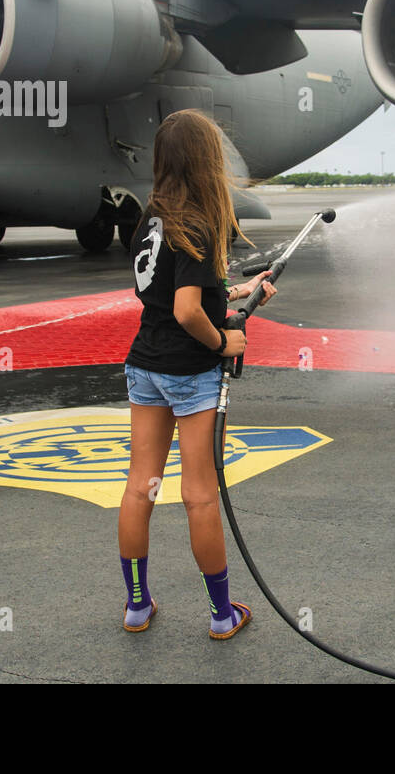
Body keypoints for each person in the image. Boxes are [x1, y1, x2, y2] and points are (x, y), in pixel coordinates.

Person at [119, 109, 276, 637]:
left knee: (141, 485)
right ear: (207, 160)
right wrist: (223, 338)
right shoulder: (203, 222)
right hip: (189, 372)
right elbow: (188, 311)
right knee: (199, 495)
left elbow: (169, 293)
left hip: (145, 364)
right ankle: (221, 615)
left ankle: (137, 606)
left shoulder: (151, 218)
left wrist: (232, 293)